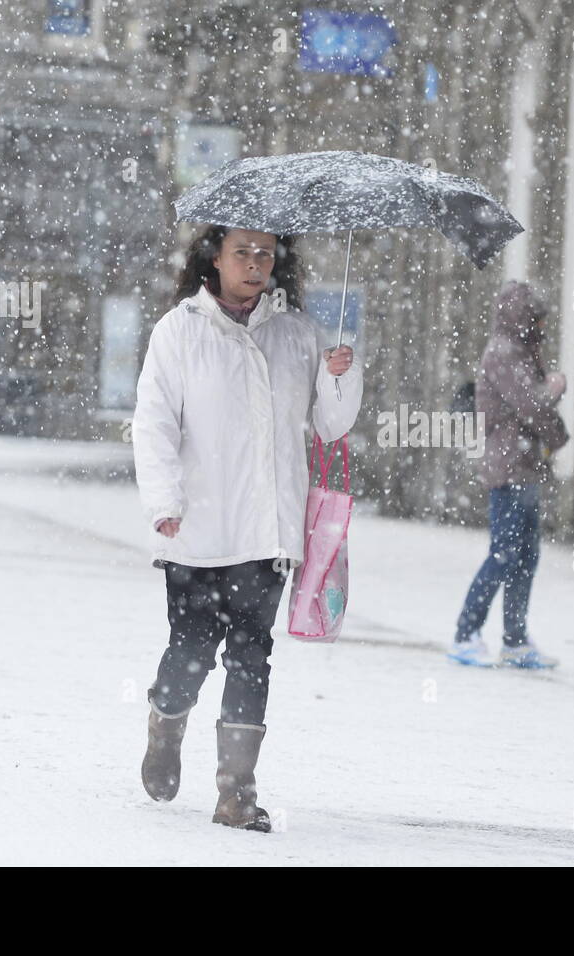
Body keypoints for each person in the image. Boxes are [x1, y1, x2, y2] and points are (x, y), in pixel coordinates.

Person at [132, 225, 362, 831]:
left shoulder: (298, 334)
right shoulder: (180, 330)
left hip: (267, 529)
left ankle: (236, 790)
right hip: (197, 527)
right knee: (190, 653)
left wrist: (339, 374)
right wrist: (164, 500)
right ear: (216, 257)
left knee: (252, 655)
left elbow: (332, 426)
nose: (256, 264)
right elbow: (153, 423)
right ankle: (165, 724)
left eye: (265, 254)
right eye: (243, 253)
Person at [449, 280, 568, 669]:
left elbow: (530, 405)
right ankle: (466, 633)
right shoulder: (505, 354)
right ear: (523, 319)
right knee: (503, 554)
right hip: (509, 468)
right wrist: (554, 396)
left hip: (525, 468)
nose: (543, 327)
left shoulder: (520, 352)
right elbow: (530, 404)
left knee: (525, 556)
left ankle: (515, 640)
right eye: (537, 319)